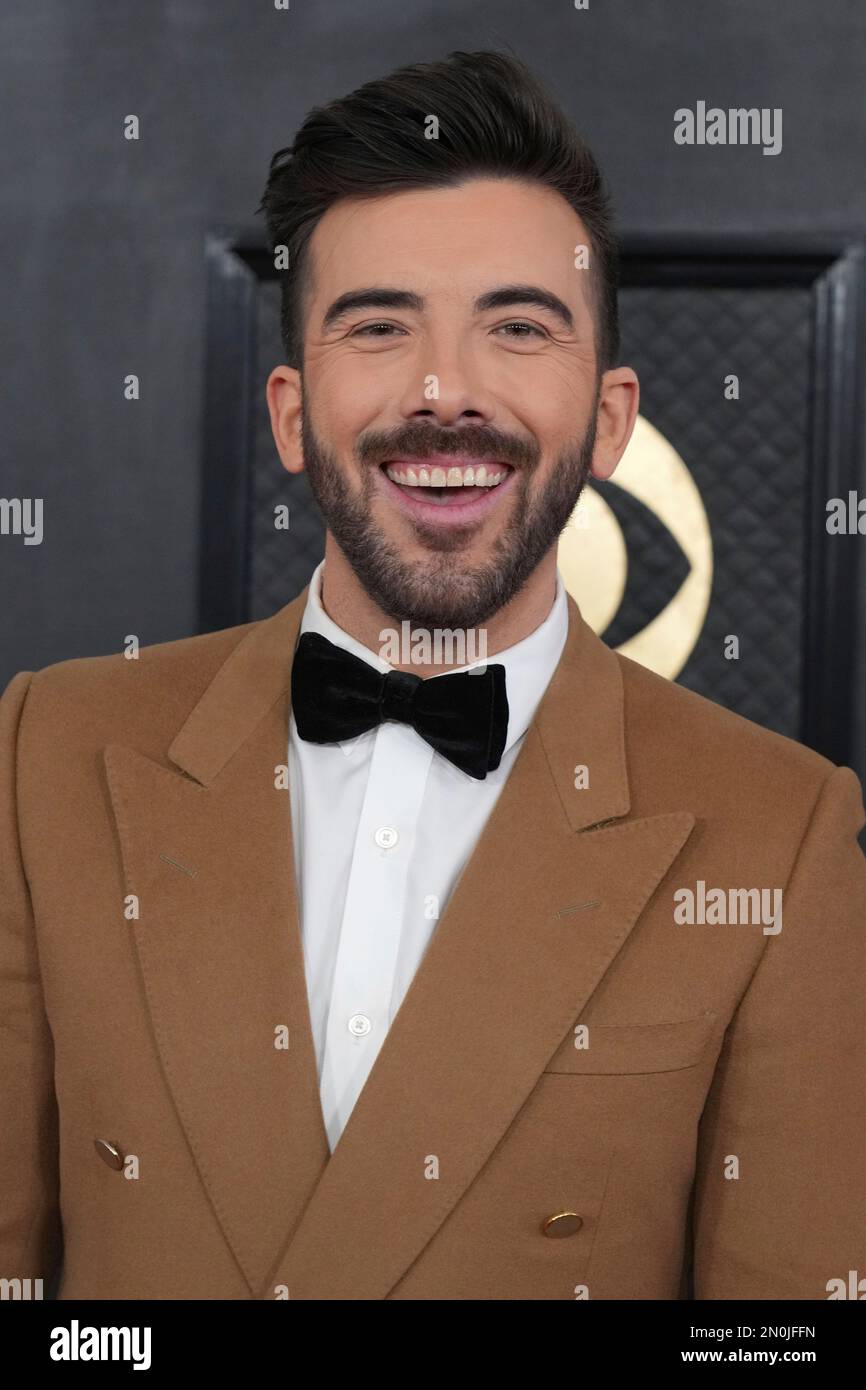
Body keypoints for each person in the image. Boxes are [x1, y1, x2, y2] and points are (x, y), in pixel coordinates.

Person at [1, 49, 864, 1302]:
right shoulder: (47, 752)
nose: (444, 390)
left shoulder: (779, 834)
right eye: (378, 325)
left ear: (608, 418)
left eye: (517, 327)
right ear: (290, 412)